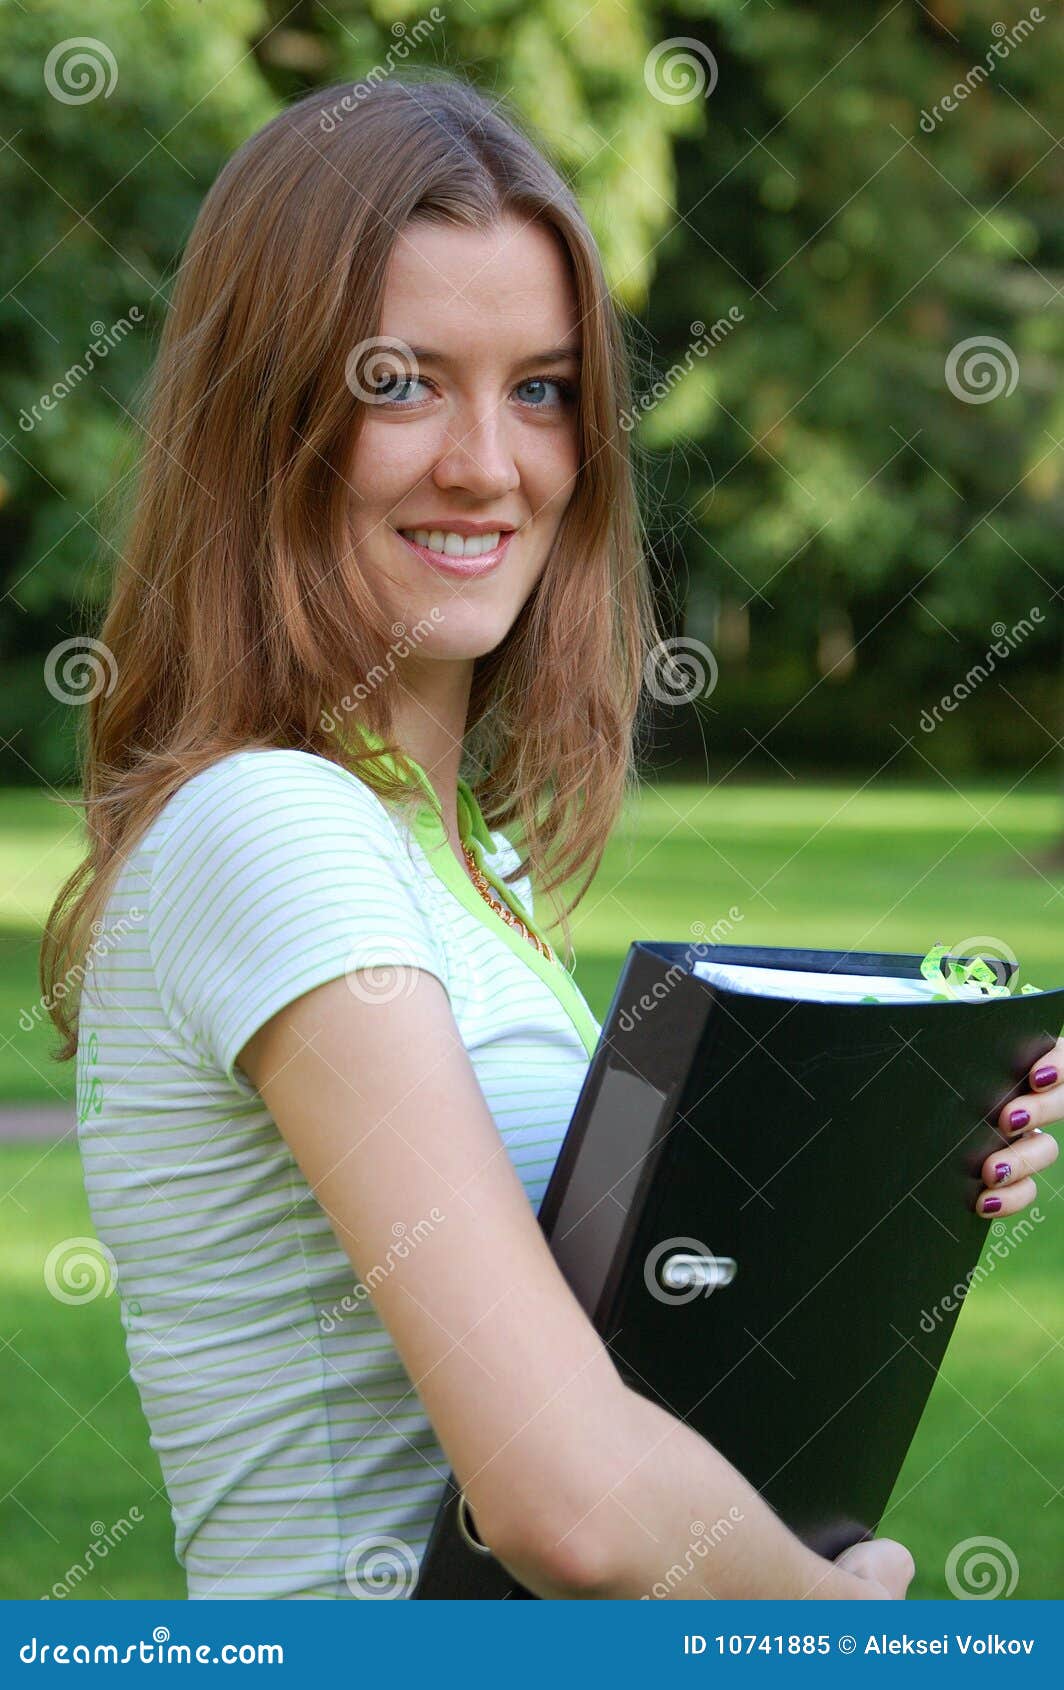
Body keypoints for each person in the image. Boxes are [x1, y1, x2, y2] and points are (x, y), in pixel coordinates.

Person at [43, 73, 1060, 1602]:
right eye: (400, 382)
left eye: (541, 387)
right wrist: (834, 1623)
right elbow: (560, 1495)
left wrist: (877, 1180)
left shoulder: (462, 857)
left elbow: (620, 1320)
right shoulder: (273, 826)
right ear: (264, 418)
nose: (487, 462)